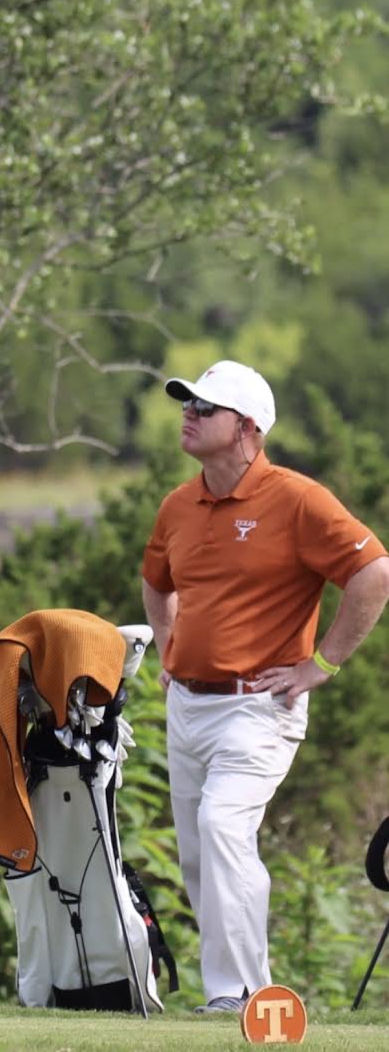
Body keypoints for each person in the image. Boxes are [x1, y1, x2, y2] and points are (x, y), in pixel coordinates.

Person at [141, 359, 389, 1013]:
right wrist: (169, 647)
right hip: (187, 704)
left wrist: (322, 665)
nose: (189, 414)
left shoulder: (298, 500)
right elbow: (156, 583)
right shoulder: (178, 504)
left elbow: (375, 573)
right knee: (199, 856)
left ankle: (251, 994)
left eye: (205, 407)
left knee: (222, 825)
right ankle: (229, 992)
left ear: (248, 427)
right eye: (187, 403)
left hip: (260, 706)